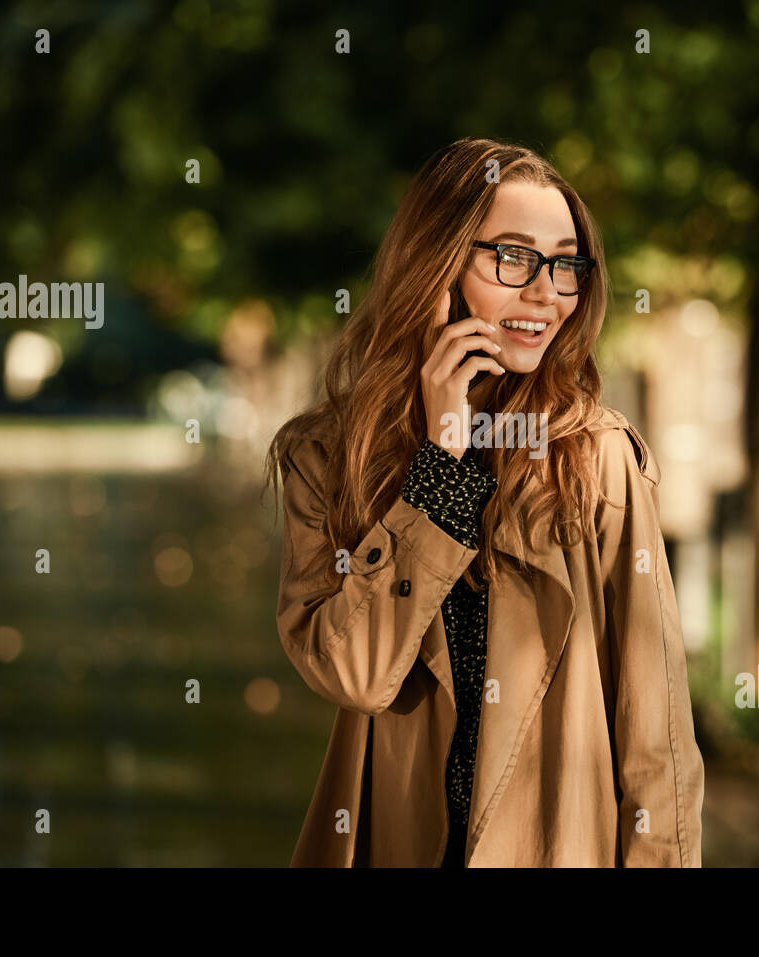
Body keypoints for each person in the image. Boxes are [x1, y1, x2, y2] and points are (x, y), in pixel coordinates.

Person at [266, 136, 703, 867]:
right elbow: (356, 675)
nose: (546, 292)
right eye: (513, 257)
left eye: (566, 264)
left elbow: (657, 735)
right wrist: (439, 465)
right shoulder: (325, 457)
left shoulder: (595, 457)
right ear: (435, 265)